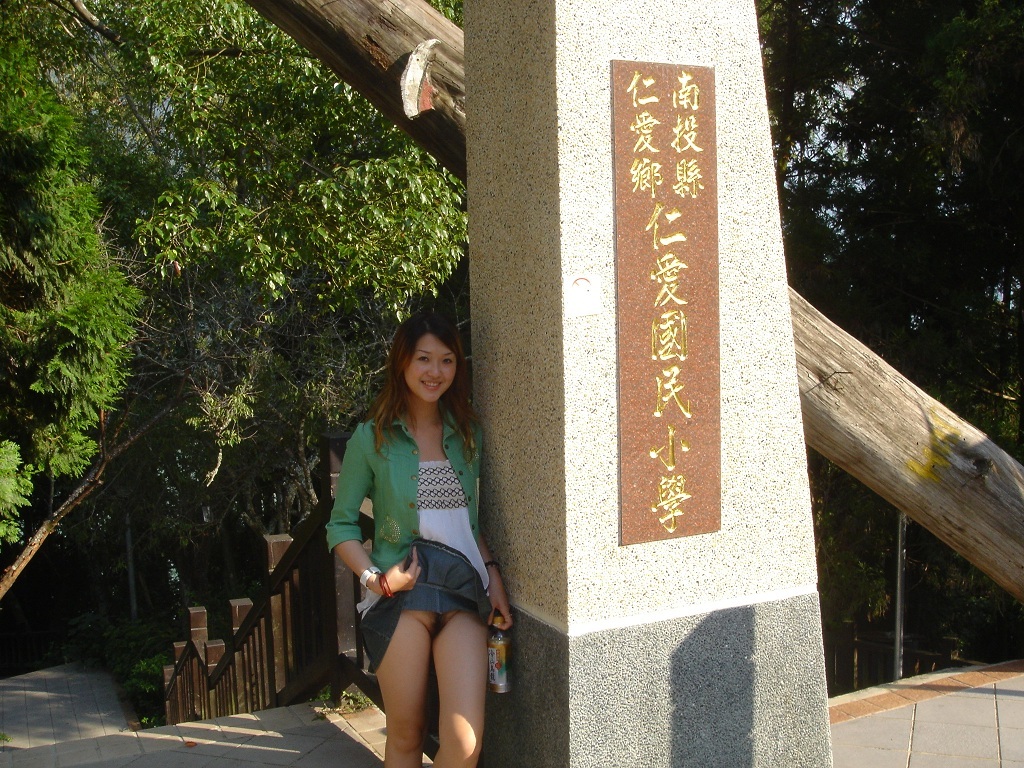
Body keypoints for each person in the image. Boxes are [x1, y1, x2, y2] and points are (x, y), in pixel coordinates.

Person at [327, 311, 512, 768]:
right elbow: (341, 526)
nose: (435, 372)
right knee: (406, 735)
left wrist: (493, 576)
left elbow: (467, 522)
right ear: (403, 363)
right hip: (402, 598)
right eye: (424, 359)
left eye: (447, 361)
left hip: (463, 592)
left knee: (464, 742)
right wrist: (376, 579)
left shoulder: (467, 434)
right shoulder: (371, 439)